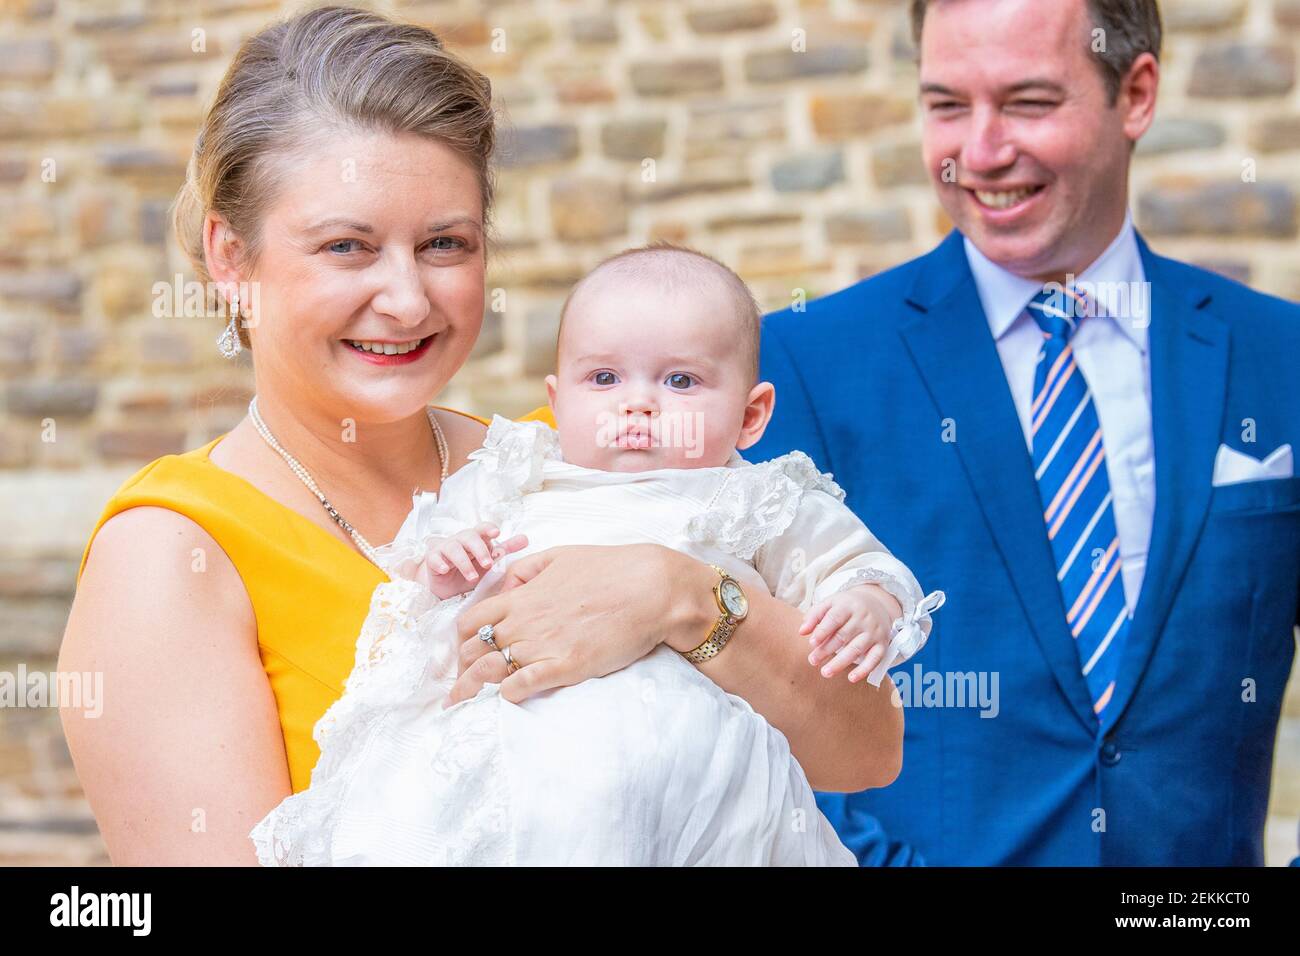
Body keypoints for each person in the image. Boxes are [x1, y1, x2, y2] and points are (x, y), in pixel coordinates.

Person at [57, 6, 903, 866]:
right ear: (232, 259)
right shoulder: (171, 555)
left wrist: (679, 596)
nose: (408, 299)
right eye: (347, 246)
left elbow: (866, 749)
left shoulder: (571, 460)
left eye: (443, 244)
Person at [750, 0, 1299, 865]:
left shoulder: (1281, 355)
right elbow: (761, 697)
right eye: (946, 105)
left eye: (1028, 102)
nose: (979, 152)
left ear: (1138, 94)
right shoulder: (802, 362)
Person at [250, 245, 944, 866]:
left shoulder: (754, 496)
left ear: (751, 415)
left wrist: (866, 603)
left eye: (680, 383)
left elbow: (857, 564)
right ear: (557, 401)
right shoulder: (520, 472)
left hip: (698, 772)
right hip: (523, 744)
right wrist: (448, 559)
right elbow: (424, 561)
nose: (637, 405)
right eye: (604, 379)